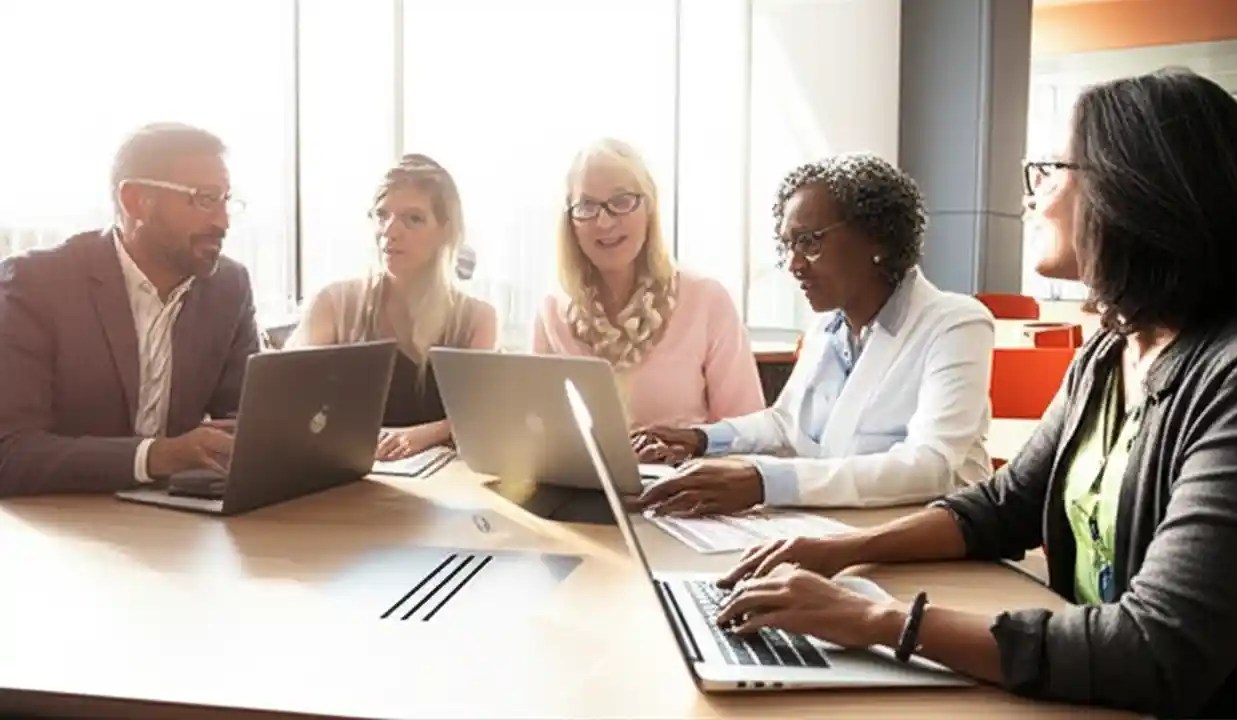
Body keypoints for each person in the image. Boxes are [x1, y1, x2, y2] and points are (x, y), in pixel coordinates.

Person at [712, 68, 1237, 718]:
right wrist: (844, 550)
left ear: (1133, 188)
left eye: (1050, 173)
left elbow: (1157, 649)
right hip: (1085, 692)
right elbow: (1004, 506)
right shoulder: (1110, 352)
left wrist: (881, 621)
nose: (1030, 198)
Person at [632, 153, 994, 515]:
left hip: (926, 532)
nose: (794, 265)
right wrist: (699, 438)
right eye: (788, 246)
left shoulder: (955, 324)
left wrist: (764, 482)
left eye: (809, 242)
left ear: (878, 238)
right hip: (836, 522)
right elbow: (787, 424)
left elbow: (930, 466)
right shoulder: (828, 326)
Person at [0, 122, 259, 496]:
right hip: (63, 520)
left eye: (225, 200)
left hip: (177, 517)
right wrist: (156, 457)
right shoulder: (36, 284)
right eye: (205, 199)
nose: (223, 221)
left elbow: (244, 417)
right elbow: (10, 452)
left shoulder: (228, 287)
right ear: (135, 200)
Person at [531, 138, 764, 429]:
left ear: (649, 208)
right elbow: (537, 431)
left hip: (688, 461)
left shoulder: (707, 300)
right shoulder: (551, 313)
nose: (604, 222)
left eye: (621, 202)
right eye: (587, 206)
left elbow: (747, 432)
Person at [287, 154, 497, 460]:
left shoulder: (476, 319)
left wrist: (422, 435)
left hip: (441, 478)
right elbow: (289, 401)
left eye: (413, 219)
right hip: (346, 470)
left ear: (446, 230)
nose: (390, 231)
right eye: (382, 215)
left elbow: (483, 415)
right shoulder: (334, 304)